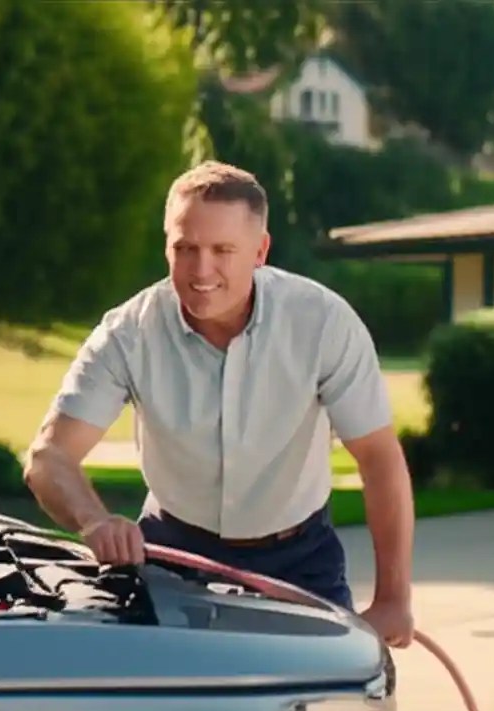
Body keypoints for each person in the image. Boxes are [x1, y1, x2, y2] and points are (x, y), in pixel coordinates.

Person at [21, 161, 416, 648]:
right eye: (185, 249)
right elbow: (49, 457)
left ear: (260, 251)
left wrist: (394, 598)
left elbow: (379, 460)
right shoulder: (128, 332)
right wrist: (95, 520)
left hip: (300, 561)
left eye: (222, 250)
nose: (200, 269)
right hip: (173, 554)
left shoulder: (324, 323)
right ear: (166, 246)